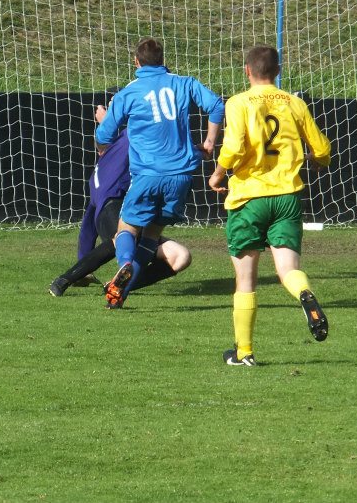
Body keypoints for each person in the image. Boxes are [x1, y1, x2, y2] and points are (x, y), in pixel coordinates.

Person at [208, 46, 332, 367]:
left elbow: (234, 146)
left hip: (250, 198)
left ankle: (244, 352)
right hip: (287, 197)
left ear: (247, 71)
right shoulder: (294, 102)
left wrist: (218, 174)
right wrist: (318, 161)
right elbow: (321, 148)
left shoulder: (237, 103)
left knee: (246, 281)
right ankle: (304, 293)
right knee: (288, 270)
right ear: (277, 71)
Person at [94, 37, 225, 309]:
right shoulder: (183, 83)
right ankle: (119, 294)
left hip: (148, 175)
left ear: (136, 62)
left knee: (126, 229)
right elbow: (216, 106)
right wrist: (210, 143)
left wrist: (104, 143)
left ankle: (125, 264)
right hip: (181, 177)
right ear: (163, 60)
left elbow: (104, 134)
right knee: (151, 237)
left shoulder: (129, 92)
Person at [49, 129, 192, 297]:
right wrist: (108, 118)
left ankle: (115, 286)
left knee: (181, 256)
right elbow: (137, 125)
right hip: (114, 212)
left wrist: (83, 264)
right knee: (122, 237)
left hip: (118, 218)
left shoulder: (103, 170)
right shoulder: (122, 146)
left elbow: (88, 227)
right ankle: (63, 281)